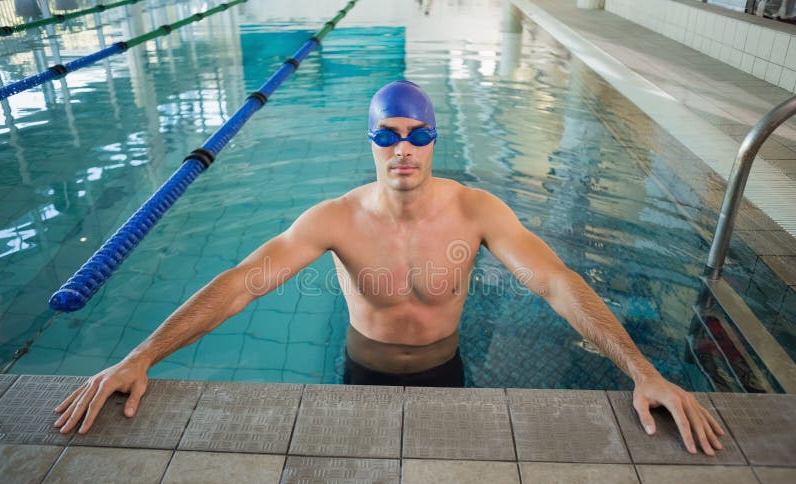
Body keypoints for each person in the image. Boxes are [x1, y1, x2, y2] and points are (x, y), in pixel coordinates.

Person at [54, 80, 725, 456]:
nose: (403, 148)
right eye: (387, 134)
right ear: (370, 141)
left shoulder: (477, 210)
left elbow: (556, 281)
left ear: (434, 140)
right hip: (361, 374)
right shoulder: (334, 218)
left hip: (445, 372)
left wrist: (644, 371)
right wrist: (140, 357)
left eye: (417, 134)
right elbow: (242, 283)